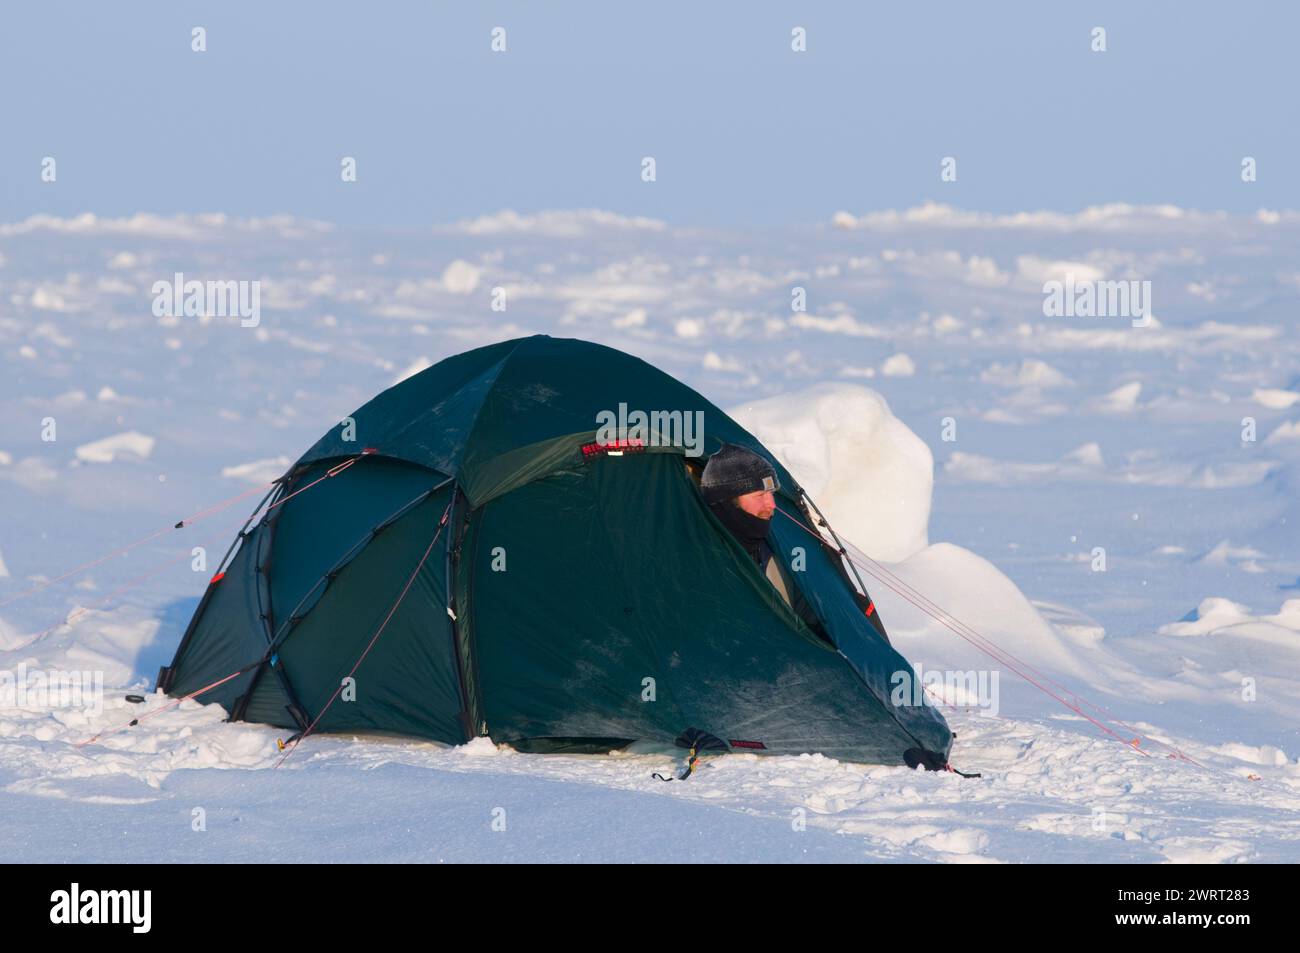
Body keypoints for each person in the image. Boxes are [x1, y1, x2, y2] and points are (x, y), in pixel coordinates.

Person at [699, 443, 829, 640]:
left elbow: (810, 613)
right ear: (727, 501)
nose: (771, 505)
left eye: (772, 494)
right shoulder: (703, 556)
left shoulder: (775, 551)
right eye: (760, 495)